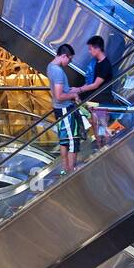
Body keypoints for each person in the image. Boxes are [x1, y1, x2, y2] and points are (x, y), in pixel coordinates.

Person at [46, 44, 84, 172]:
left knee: (64, 140)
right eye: (70, 59)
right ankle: (71, 169)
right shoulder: (58, 71)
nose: (70, 62)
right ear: (63, 56)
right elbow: (59, 96)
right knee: (72, 141)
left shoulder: (50, 67)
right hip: (65, 109)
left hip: (59, 109)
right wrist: (73, 94)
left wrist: (69, 90)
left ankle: (65, 168)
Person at [77, 35, 116, 149]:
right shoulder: (96, 63)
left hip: (103, 101)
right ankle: (100, 146)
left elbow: (96, 84)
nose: (90, 52)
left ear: (98, 48)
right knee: (95, 124)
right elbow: (90, 81)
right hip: (96, 101)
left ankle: (107, 146)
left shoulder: (105, 64)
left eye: (91, 49)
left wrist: (79, 89)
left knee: (102, 126)